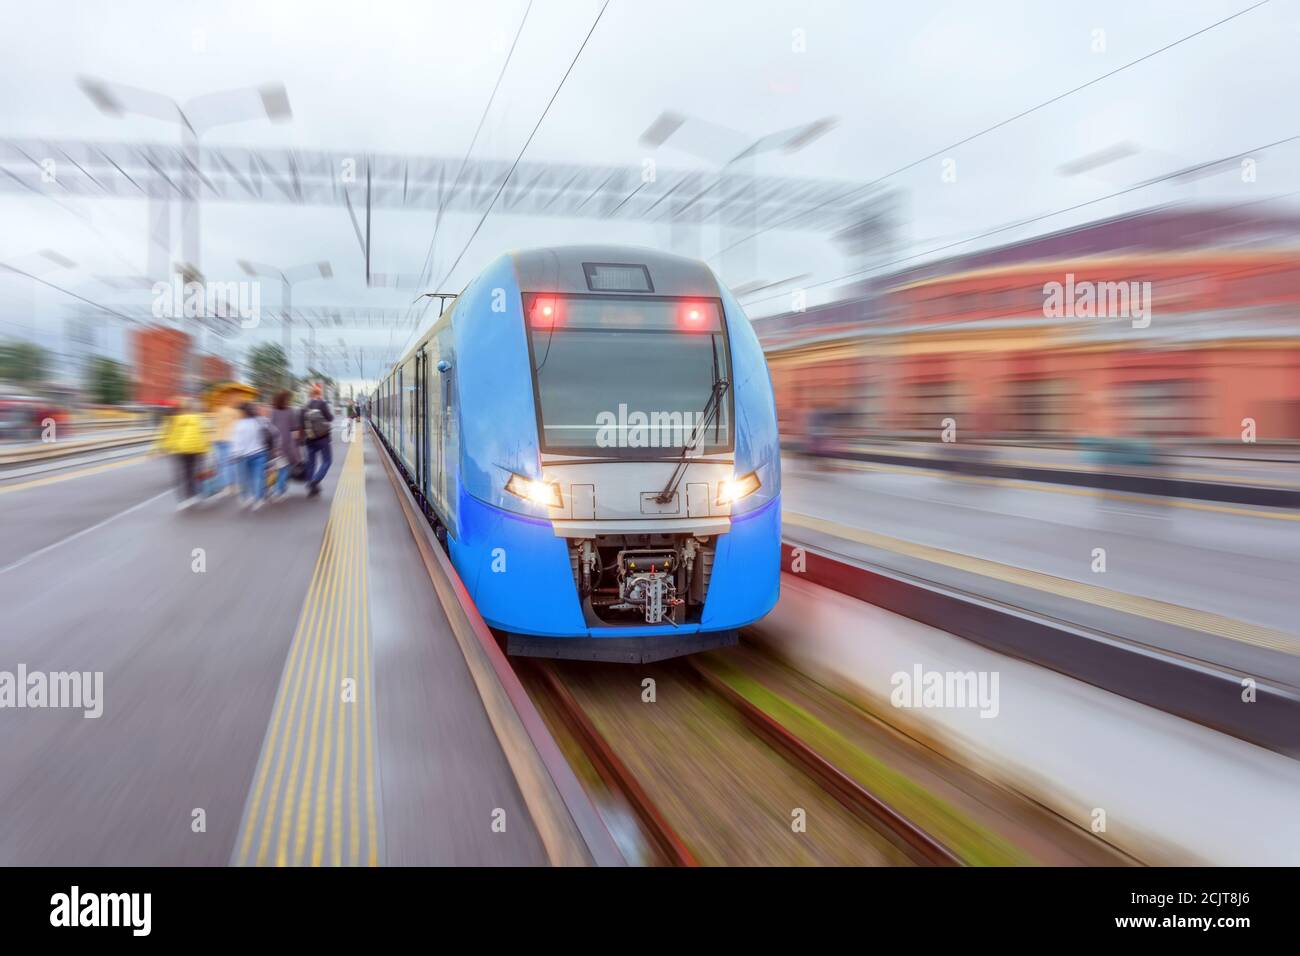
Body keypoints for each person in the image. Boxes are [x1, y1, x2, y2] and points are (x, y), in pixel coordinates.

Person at [157, 396, 211, 510]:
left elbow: (167, 434)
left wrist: (162, 448)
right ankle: (194, 495)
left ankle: (183, 500)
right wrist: (207, 449)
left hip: (180, 450)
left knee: (182, 475)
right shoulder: (199, 418)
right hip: (197, 449)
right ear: (192, 408)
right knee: (194, 473)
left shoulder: (174, 419)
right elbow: (205, 433)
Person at [231, 401, 274, 510]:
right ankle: (258, 499)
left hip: (244, 455)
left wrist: (234, 455)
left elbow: (238, 442)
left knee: (246, 477)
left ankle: (248, 496)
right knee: (258, 476)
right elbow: (272, 432)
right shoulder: (260, 421)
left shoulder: (240, 425)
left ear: (243, 413)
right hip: (260, 452)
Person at [300, 383, 334, 498]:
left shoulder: (304, 407)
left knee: (311, 463)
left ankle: (311, 486)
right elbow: (330, 418)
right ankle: (315, 481)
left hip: (309, 439)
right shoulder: (322, 403)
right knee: (327, 461)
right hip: (323, 438)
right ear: (319, 394)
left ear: (309, 394)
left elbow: (301, 425)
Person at [269, 389, 300, 500]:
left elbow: (270, 428)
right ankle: (279, 490)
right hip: (287, 445)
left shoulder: (273, 411)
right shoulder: (290, 411)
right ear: (285, 399)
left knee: (279, 468)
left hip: (275, 444)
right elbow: (294, 430)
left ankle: (279, 489)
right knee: (284, 469)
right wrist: (296, 445)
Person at [212, 391, 241, 496]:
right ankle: (233, 486)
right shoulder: (237, 412)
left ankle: (227, 486)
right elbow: (239, 427)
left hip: (217, 439)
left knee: (222, 464)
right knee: (232, 464)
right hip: (230, 439)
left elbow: (215, 425)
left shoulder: (218, 410)